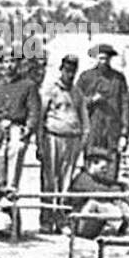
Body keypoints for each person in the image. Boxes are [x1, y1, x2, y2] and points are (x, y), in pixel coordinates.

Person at [37, 54, 90, 233]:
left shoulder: (77, 93)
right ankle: (46, 220)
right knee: (49, 180)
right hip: (52, 137)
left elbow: (84, 118)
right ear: (61, 70)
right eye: (66, 70)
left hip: (72, 139)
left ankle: (62, 220)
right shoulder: (50, 90)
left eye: (72, 71)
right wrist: (39, 142)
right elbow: (40, 117)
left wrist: (83, 140)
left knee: (66, 181)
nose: (69, 74)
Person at [0, 56, 42, 191]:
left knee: (16, 150)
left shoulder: (28, 85)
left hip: (17, 127)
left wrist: (28, 128)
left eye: (12, 62)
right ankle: (1, 191)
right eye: (6, 62)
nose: (9, 65)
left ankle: (11, 189)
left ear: (19, 64)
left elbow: (34, 110)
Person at [76, 43, 129, 158]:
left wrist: (124, 133)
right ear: (96, 58)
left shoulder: (118, 79)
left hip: (112, 129)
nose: (104, 62)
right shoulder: (86, 77)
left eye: (106, 59)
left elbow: (125, 106)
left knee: (111, 164)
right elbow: (75, 101)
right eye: (101, 58)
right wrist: (91, 100)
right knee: (92, 164)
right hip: (92, 128)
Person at [68, 147, 129, 240]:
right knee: (97, 203)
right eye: (102, 168)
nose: (105, 171)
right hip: (80, 223)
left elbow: (110, 187)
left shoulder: (98, 180)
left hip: (93, 222)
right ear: (91, 164)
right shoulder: (82, 178)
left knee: (121, 204)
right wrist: (121, 188)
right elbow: (101, 191)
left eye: (106, 168)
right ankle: (113, 229)